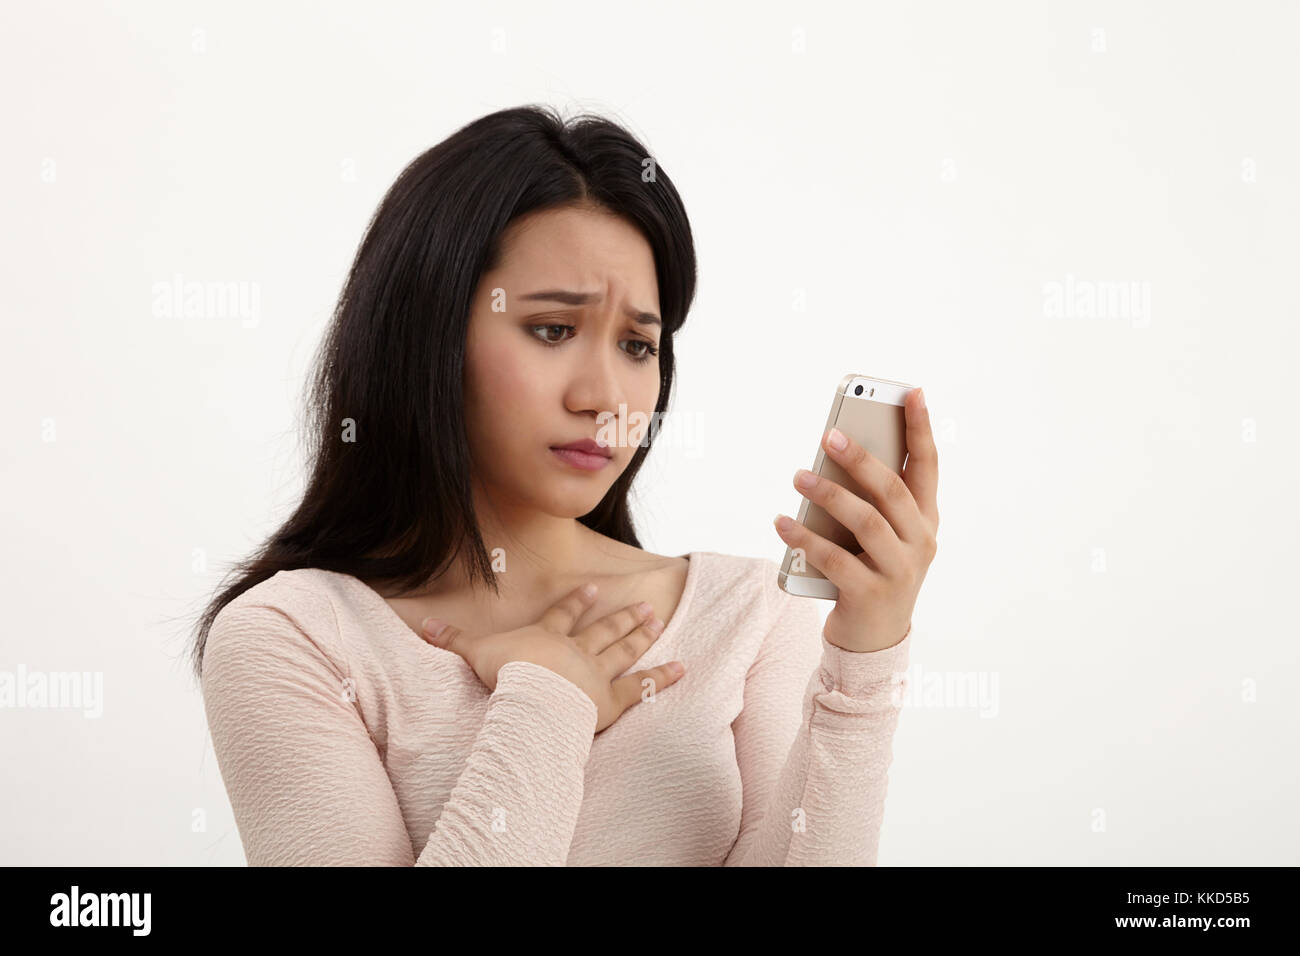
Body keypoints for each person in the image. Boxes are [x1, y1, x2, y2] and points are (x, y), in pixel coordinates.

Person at [192, 104, 940, 866]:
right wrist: (547, 700)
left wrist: (865, 653)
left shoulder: (750, 619)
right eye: (553, 330)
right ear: (427, 333)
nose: (607, 396)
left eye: (637, 344)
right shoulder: (297, 637)